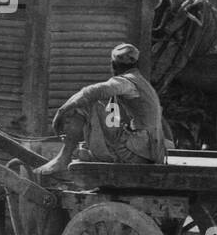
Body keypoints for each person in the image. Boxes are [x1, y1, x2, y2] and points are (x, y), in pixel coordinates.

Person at [33, 43, 167, 176]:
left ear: (113, 65)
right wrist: (92, 137)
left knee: (85, 104)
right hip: (148, 151)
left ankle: (64, 157)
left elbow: (97, 91)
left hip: (138, 150)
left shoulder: (127, 82)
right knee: (96, 109)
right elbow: (112, 119)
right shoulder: (139, 83)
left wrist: (62, 110)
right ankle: (81, 153)